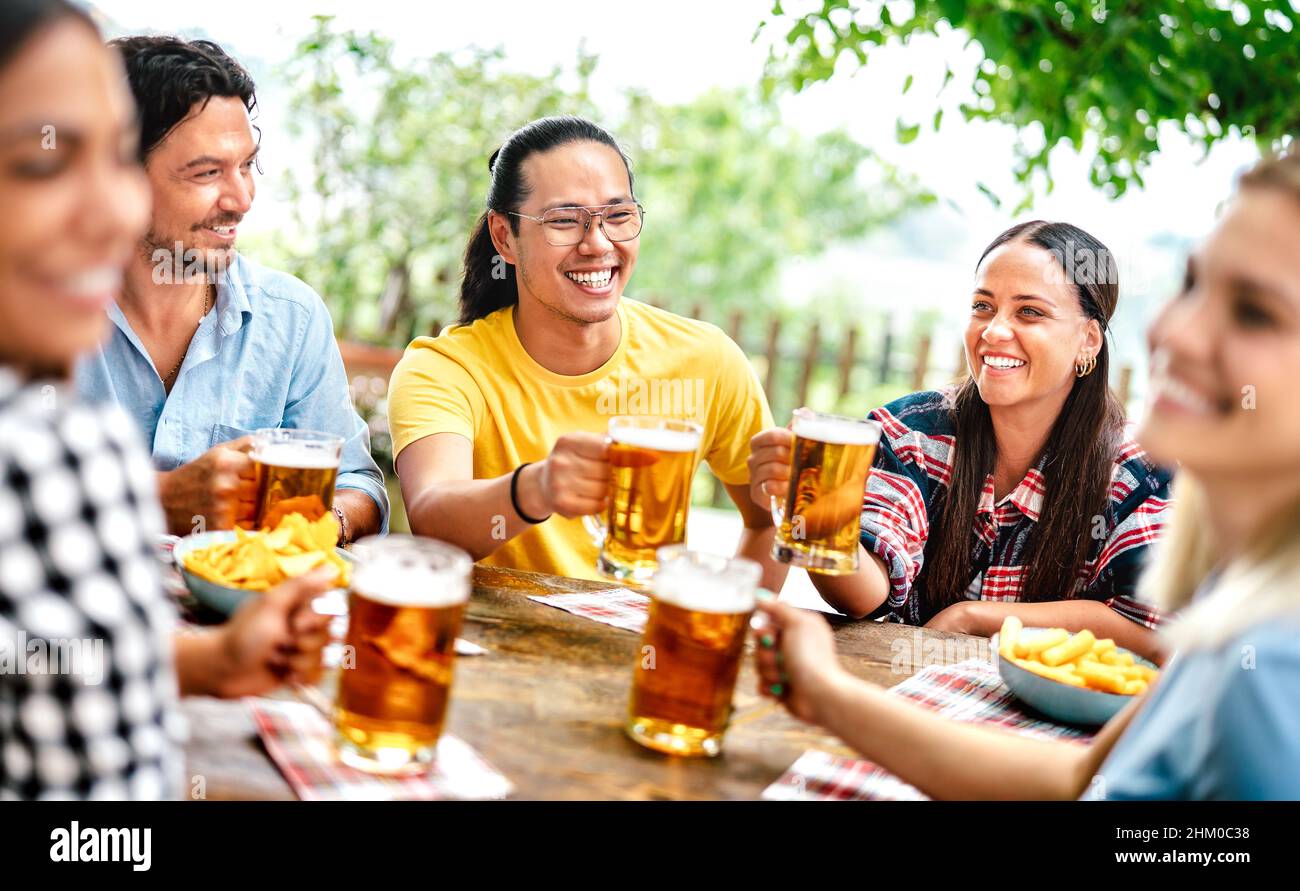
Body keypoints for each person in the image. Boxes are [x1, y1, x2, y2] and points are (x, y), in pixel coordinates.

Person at [753, 151, 1300, 800]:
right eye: (1191, 287)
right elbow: (1071, 780)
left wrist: (972, 617)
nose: (1174, 331)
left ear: (1089, 342)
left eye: (1255, 312)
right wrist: (825, 681)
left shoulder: (1268, 665)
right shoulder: (1230, 620)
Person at [0, 0, 334, 799]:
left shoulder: (64, 429)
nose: (111, 208)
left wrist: (211, 661)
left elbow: (42, 650)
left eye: (111, 157)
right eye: (46, 161)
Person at [388, 116, 784, 586]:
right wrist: (535, 489)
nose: (597, 244)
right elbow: (432, 518)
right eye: (563, 221)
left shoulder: (706, 358)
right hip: (493, 651)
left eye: (618, 216)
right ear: (504, 237)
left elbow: (768, 518)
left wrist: (726, 630)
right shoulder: (445, 369)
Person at [749, 222, 1171, 657]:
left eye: (1029, 312)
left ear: (1088, 340)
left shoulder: (1143, 471)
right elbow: (863, 595)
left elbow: (1155, 632)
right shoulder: (912, 432)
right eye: (982, 307)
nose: (993, 332)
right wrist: (817, 510)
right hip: (906, 697)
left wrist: (973, 617)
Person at [74, 35, 388, 545]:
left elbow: (357, 485)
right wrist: (155, 498)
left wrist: (317, 527)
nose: (241, 199)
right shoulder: (32, 312)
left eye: (247, 165)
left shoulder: (291, 318)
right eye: (207, 173)